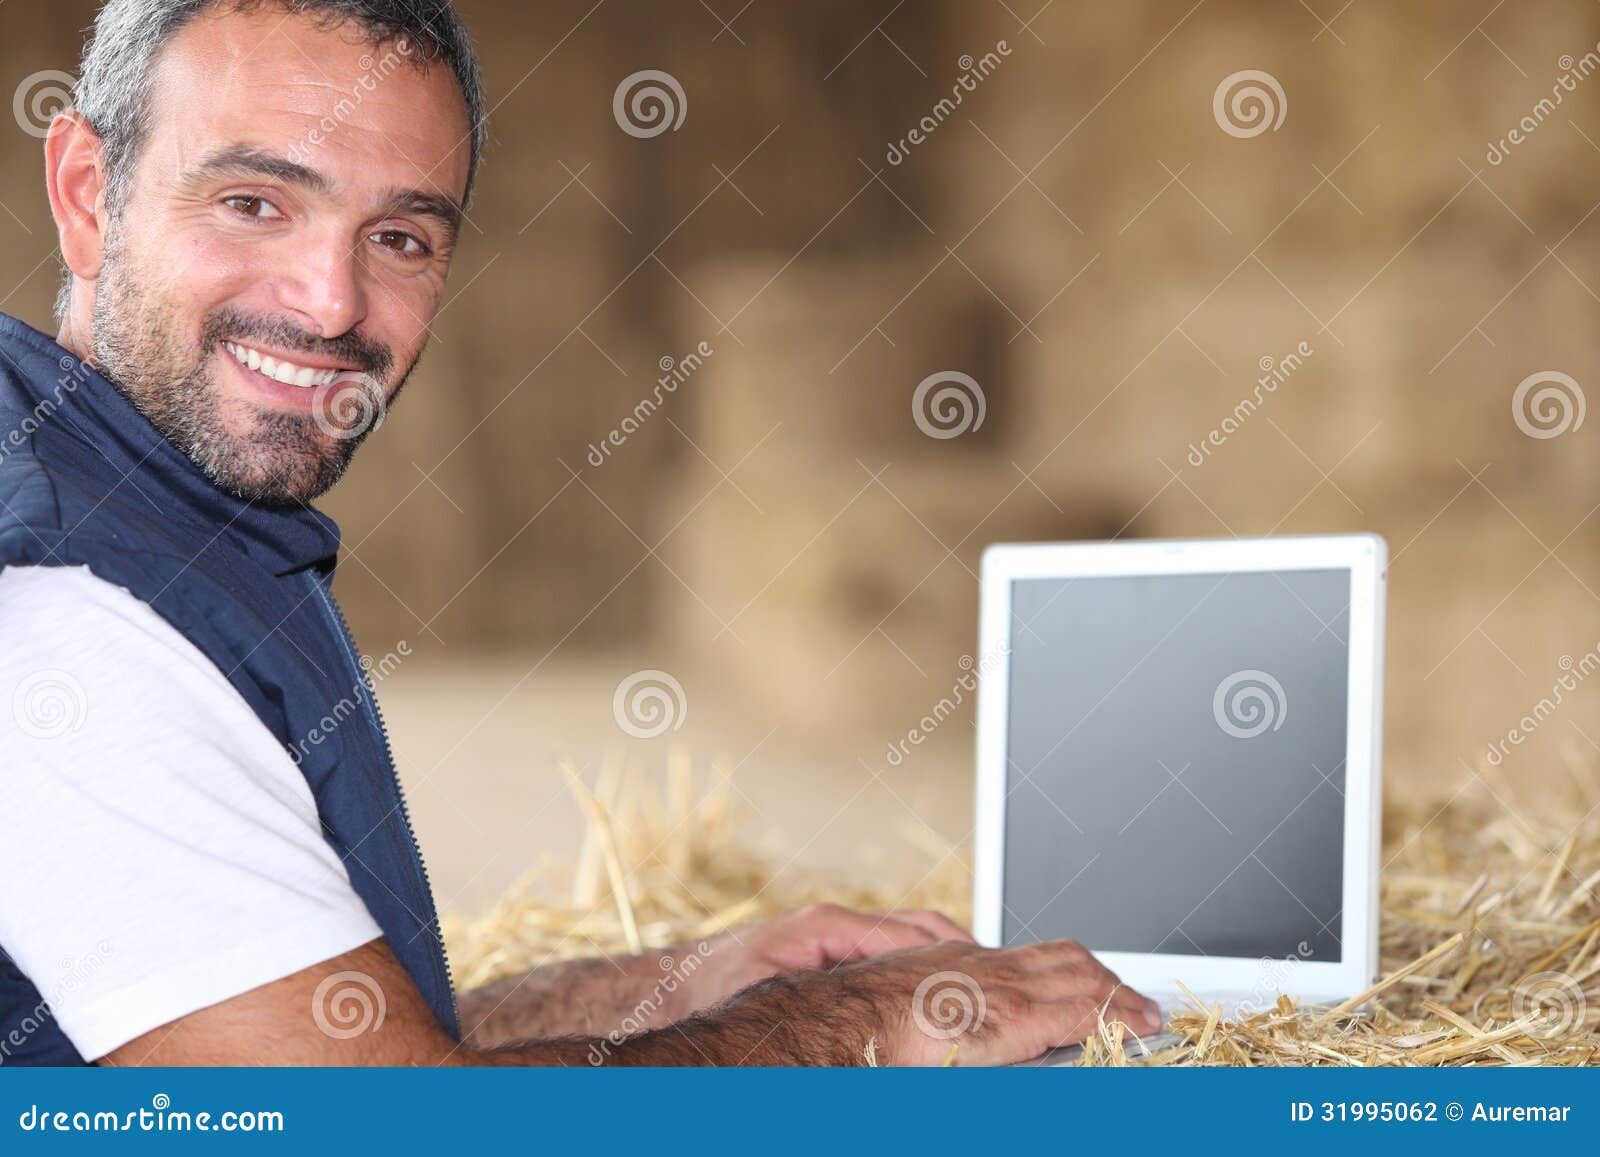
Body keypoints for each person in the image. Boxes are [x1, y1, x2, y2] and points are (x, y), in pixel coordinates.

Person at [0, 0, 1161, 1066]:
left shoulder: (120, 494)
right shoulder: (67, 616)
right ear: (90, 193)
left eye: (401, 237)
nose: (333, 302)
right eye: (256, 202)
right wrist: (854, 1021)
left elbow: (281, 1036)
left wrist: (674, 985)